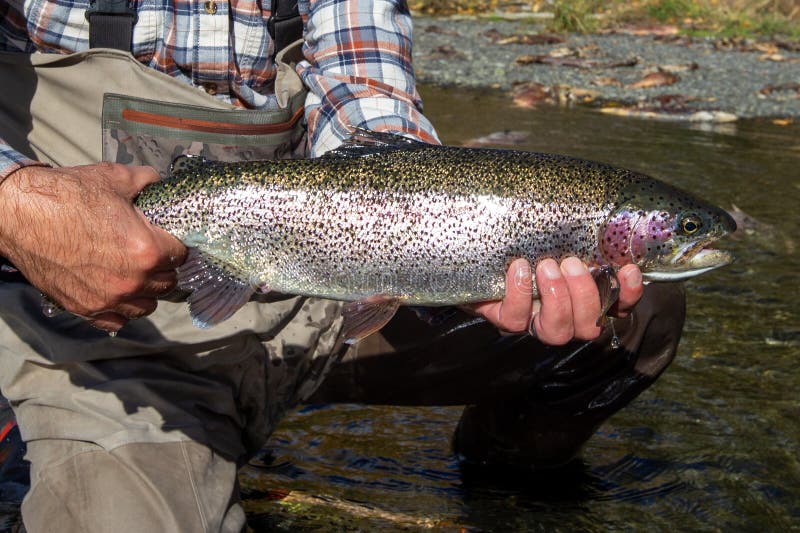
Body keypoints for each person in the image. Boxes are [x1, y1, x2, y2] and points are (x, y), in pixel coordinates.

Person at [0, 0, 683, 530]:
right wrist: (16, 204)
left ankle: (499, 493)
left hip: (315, 291)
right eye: (680, 230)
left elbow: (366, 92)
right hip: (107, 342)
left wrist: (438, 230)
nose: (688, 239)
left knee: (637, 314)